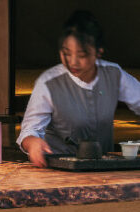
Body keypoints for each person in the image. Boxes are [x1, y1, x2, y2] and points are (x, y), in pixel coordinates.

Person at [18, 10, 140, 167]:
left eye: (82, 55)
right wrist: (33, 142)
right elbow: (29, 131)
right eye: (66, 54)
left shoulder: (113, 75)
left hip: (104, 168)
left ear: (98, 53)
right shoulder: (49, 82)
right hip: (60, 170)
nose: (73, 62)